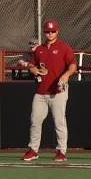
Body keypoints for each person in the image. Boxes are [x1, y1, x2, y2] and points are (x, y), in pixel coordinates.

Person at [23, 18, 76, 163]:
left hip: (57, 91)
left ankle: (61, 151)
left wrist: (66, 75)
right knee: (35, 121)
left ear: (57, 31)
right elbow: (30, 65)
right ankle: (33, 150)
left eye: (53, 31)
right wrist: (32, 69)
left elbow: (73, 65)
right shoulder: (39, 49)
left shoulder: (64, 47)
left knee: (59, 122)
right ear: (44, 32)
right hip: (41, 91)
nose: (50, 33)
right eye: (48, 31)